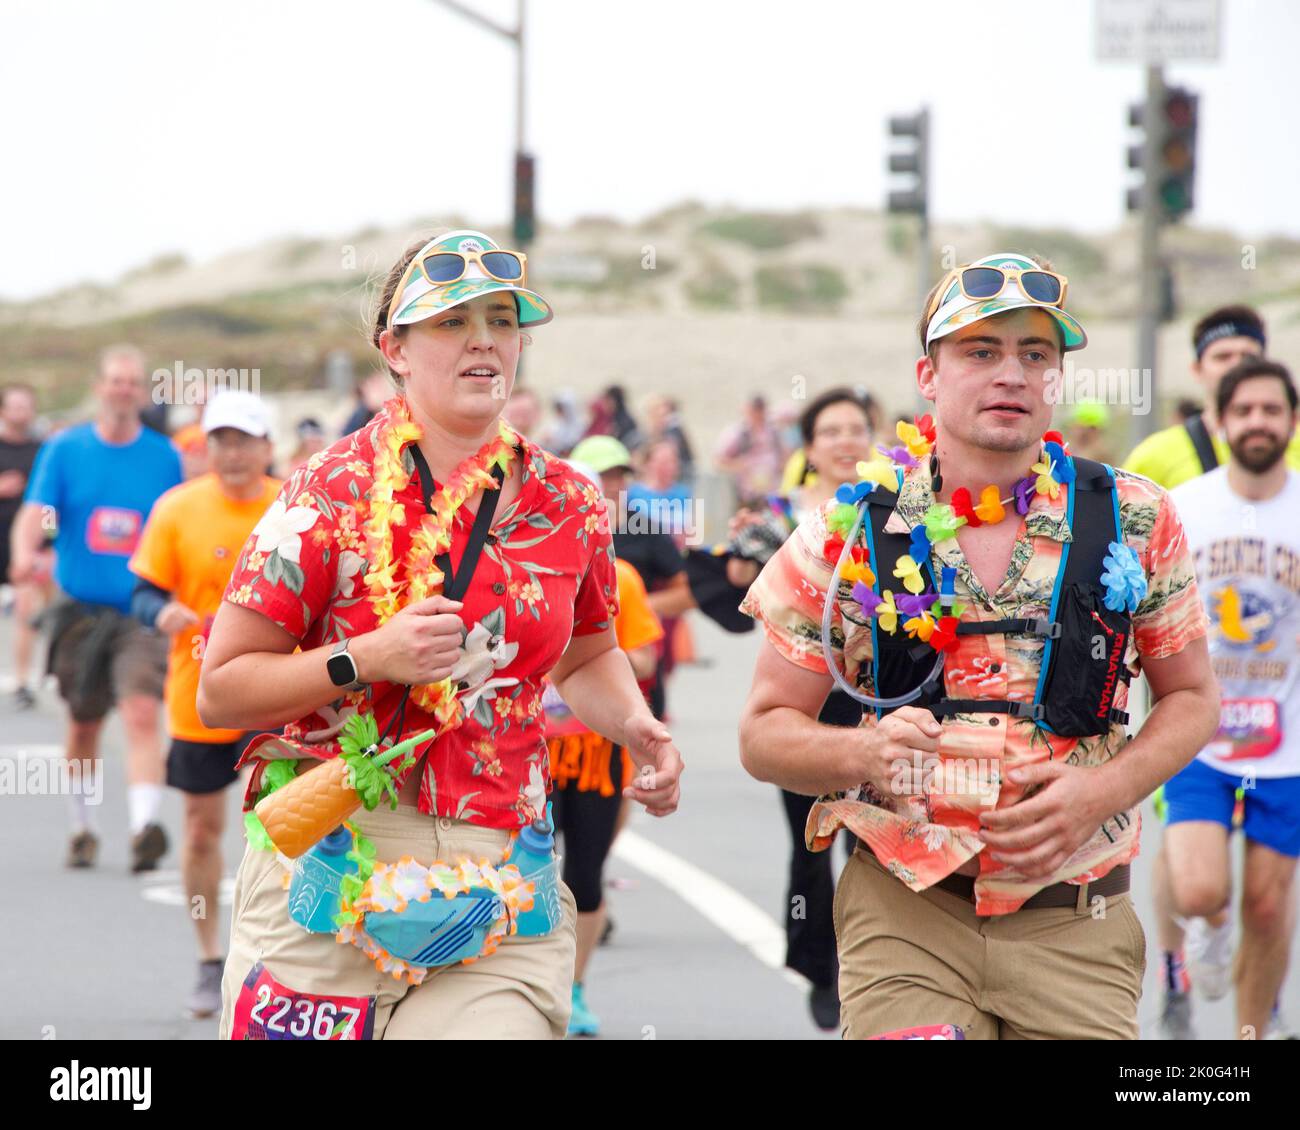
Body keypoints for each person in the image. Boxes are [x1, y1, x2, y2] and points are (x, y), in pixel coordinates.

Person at [197, 230, 682, 1040]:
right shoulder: (328, 489)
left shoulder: (569, 501)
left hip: (495, 872)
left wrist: (637, 727)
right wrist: (369, 658)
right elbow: (223, 688)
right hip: (330, 861)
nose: (484, 339)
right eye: (453, 322)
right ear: (395, 348)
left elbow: (590, 651)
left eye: (502, 320)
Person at [738, 252, 1219, 1040]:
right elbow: (762, 733)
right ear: (929, 376)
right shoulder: (854, 527)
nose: (1012, 375)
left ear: (1057, 379)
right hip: (906, 915)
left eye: (1036, 355)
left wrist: (1103, 792)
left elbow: (1195, 698)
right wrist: (865, 755)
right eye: (981, 351)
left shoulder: (1133, 516)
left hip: (1078, 920)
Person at [128, 389, 282, 1019]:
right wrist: (160, 610)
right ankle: (207, 955)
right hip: (200, 696)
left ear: (267, 446)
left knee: (283, 830)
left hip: (279, 694)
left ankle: (275, 957)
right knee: (200, 830)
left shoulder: (293, 505)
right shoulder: (177, 508)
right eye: (220, 439)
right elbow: (141, 590)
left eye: (244, 439)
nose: (232, 451)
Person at [1162, 358, 1300, 1040]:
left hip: (1288, 737)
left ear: (1292, 422)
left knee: (1270, 910)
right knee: (1198, 890)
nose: (1257, 422)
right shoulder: (1185, 508)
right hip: (1201, 732)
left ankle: (1250, 1038)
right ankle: (1209, 930)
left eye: (1271, 410)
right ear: (1218, 422)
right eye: (1243, 410)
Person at [12, 345, 182, 869]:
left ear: (141, 392)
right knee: (84, 723)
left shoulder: (163, 456)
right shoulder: (66, 449)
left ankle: (142, 829)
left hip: (140, 608)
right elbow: (42, 510)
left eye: (132, 382)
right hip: (79, 608)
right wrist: (33, 547)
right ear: (99, 386)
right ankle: (83, 827)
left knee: (140, 711)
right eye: (115, 381)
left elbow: (176, 524)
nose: (123, 390)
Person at [544, 535, 664, 1036]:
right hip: (531, 751)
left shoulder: (623, 578)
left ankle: (573, 987)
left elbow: (645, 662)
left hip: (596, 753)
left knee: (587, 871)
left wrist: (601, 647)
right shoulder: (512, 566)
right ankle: (529, 982)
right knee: (526, 872)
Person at [1122, 305, 1300, 487]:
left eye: (1248, 356)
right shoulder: (1154, 456)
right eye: (1222, 357)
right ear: (1197, 369)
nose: (1236, 365)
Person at [0, 383, 46, 708]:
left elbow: (52, 505)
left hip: (26, 545)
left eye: (25, 406)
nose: (20, 412)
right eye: (14, 406)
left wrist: (48, 542)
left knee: (26, 610)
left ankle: (23, 681)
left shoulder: (43, 451)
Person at [716, 395, 786, 504]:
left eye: (760, 410)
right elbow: (719, 460)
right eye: (755, 410)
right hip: (747, 495)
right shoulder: (737, 433)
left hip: (773, 494)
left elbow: (784, 456)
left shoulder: (774, 432)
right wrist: (739, 465)